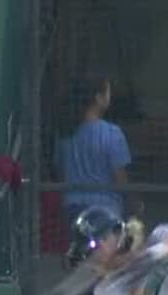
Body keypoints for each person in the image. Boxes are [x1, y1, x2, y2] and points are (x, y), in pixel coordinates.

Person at [55, 73, 134, 229]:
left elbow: (60, 172)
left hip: (72, 208)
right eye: (108, 92)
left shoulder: (67, 133)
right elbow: (120, 177)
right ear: (99, 98)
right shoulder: (112, 133)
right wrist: (132, 202)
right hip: (106, 209)